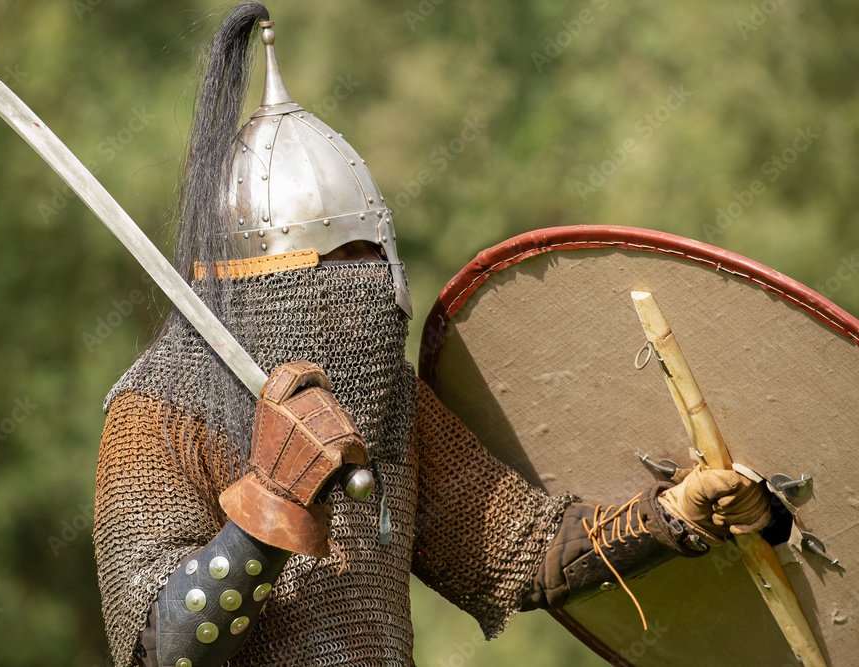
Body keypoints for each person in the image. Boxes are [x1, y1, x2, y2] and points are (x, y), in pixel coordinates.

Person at [93, 4, 771, 666]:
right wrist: (271, 505)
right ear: (267, 282)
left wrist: (674, 509)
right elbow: (159, 648)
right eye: (339, 271)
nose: (371, 296)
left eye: (373, 262)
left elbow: (521, 551)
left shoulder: (388, 403)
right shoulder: (158, 411)